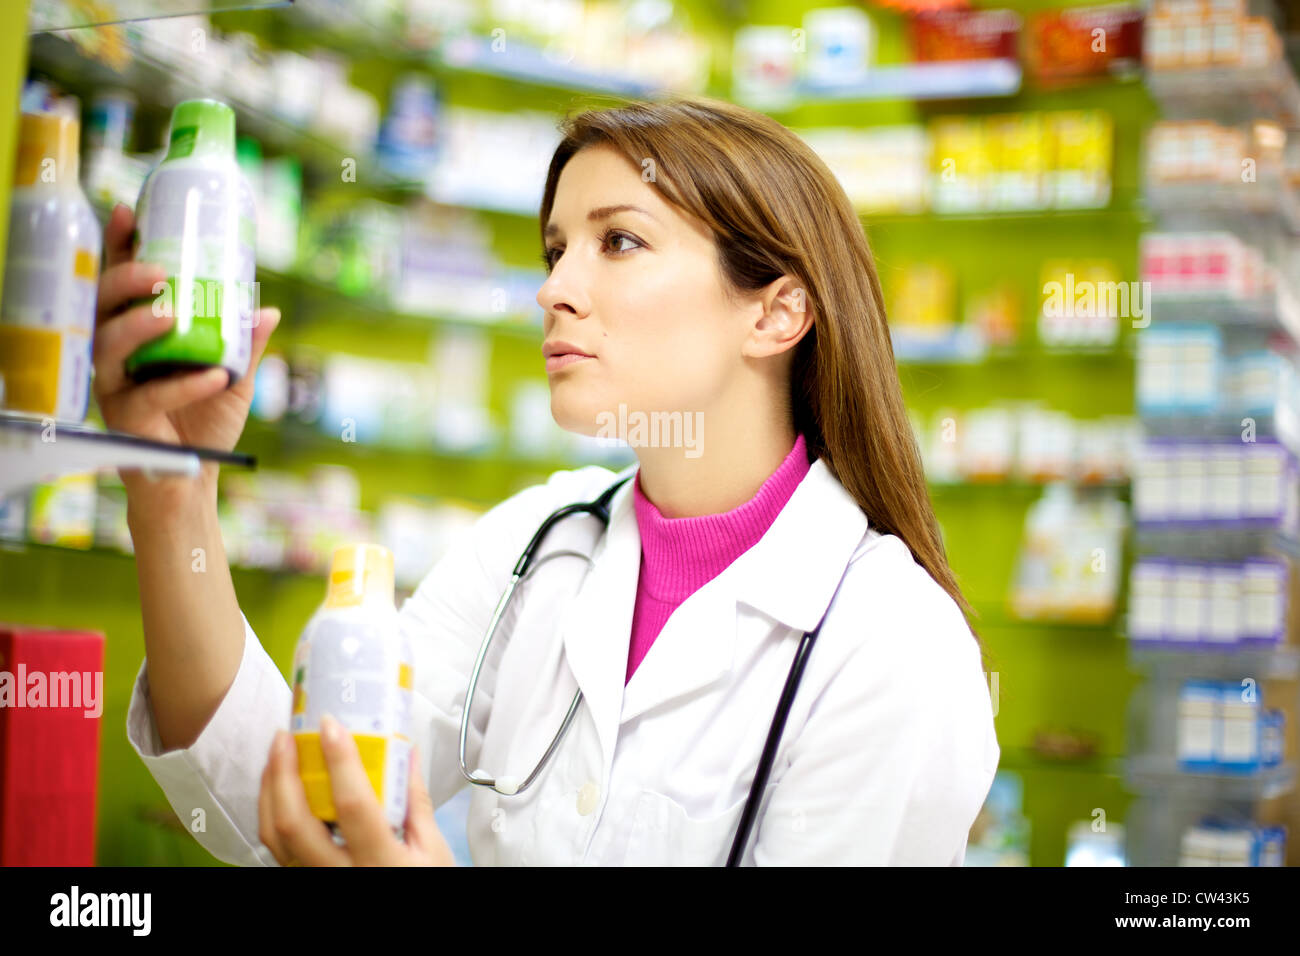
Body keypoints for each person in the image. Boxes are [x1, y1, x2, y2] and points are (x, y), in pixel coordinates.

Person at [98, 94, 1000, 866]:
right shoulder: (533, 547)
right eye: (555, 249)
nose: (556, 288)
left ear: (777, 311)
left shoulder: (892, 645)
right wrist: (174, 494)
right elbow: (292, 800)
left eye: (618, 242)